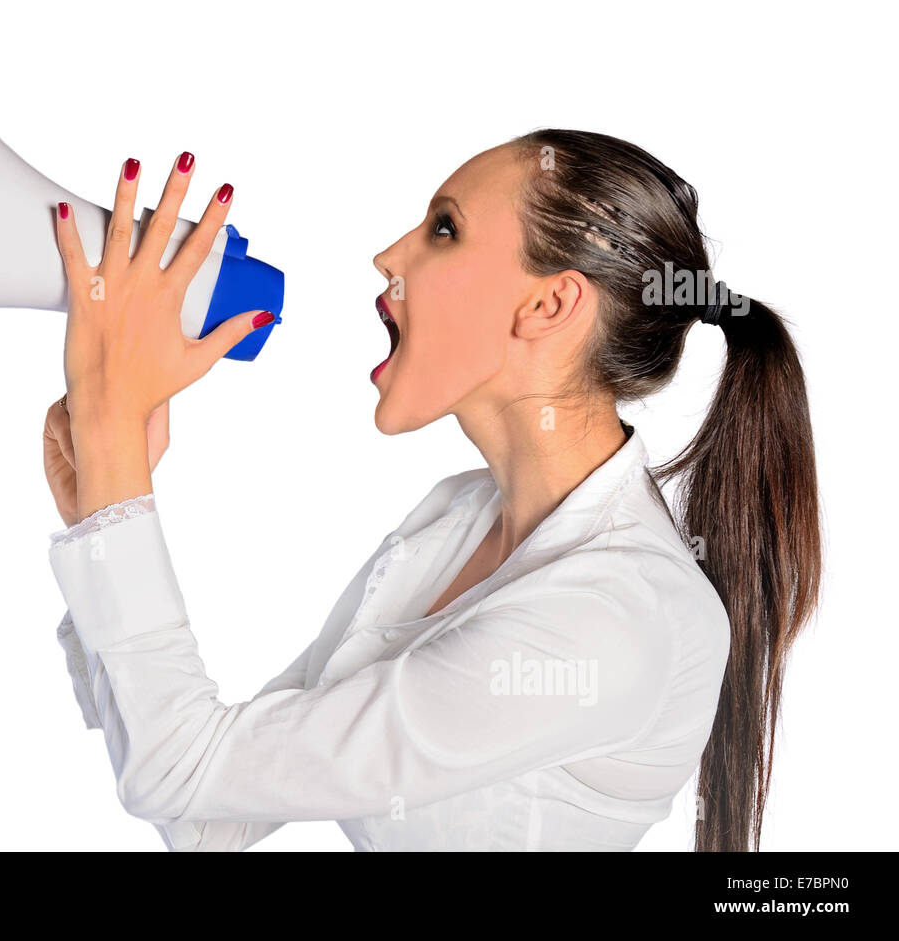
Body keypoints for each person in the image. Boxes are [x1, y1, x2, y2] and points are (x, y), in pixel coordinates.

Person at [40, 130, 821, 851]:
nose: (389, 255)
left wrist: (117, 467)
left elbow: (179, 770)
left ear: (550, 305)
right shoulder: (460, 516)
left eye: (444, 229)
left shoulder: (612, 620)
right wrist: (101, 512)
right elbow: (207, 813)